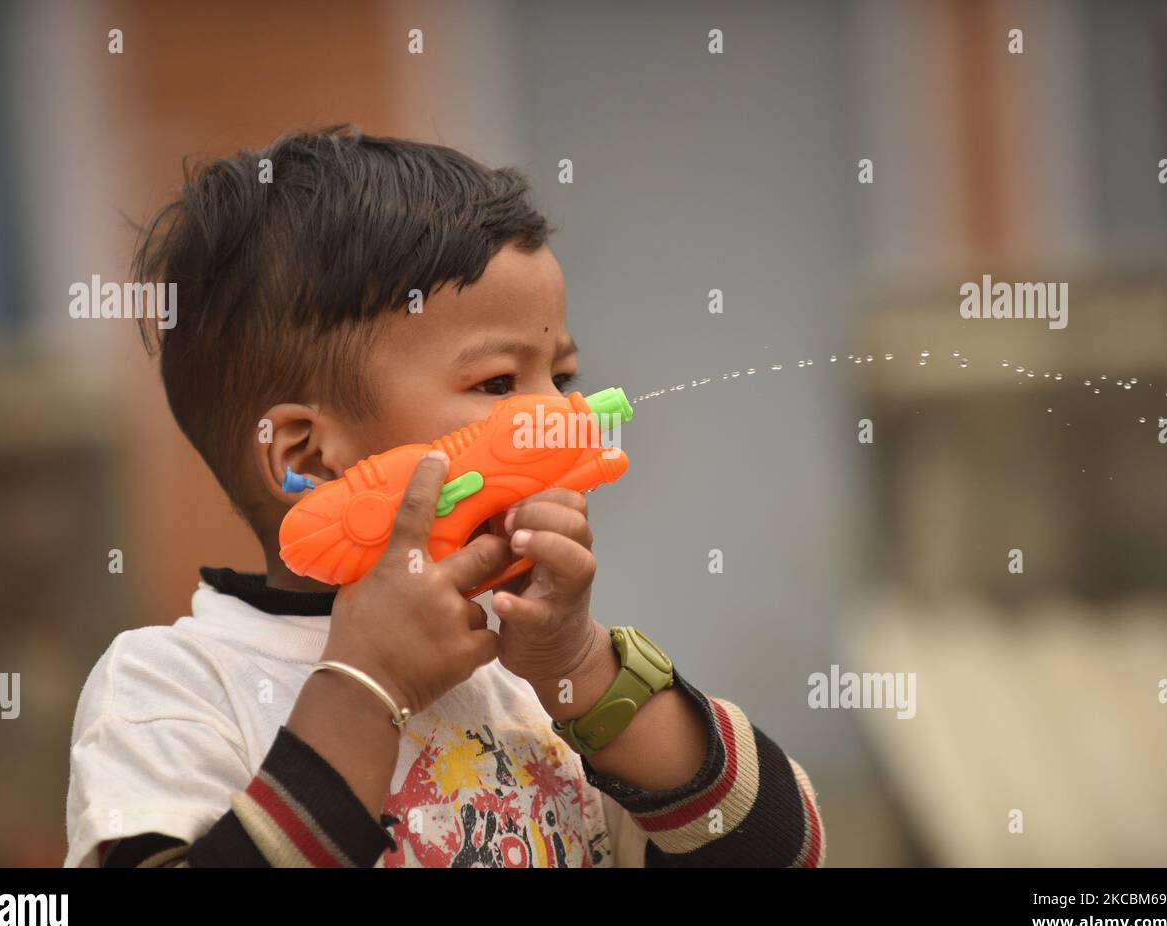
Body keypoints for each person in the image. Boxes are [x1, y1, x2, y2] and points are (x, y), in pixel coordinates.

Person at [64, 124, 826, 868]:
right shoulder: (172, 686)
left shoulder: (537, 688)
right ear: (307, 458)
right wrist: (368, 685)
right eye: (498, 383)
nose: (559, 417)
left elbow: (782, 849)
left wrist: (586, 671)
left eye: (560, 377)